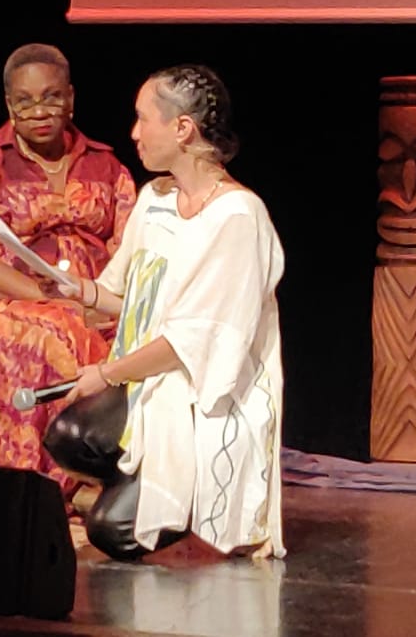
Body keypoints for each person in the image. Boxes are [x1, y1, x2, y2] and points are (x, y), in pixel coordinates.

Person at [41, 64, 285, 561]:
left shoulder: (237, 217)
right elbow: (126, 299)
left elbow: (193, 342)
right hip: (152, 382)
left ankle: (189, 500)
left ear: (182, 129)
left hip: (203, 398)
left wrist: (106, 373)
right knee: (68, 436)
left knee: (112, 533)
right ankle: (143, 482)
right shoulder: (156, 201)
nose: (133, 133)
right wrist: (77, 290)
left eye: (142, 119)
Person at [0, 44, 135, 491]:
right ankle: (47, 484)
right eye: (25, 101)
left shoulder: (107, 165)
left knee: (142, 334)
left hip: (93, 296)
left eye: (51, 97)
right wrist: (50, 299)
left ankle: (117, 480)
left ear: (71, 98)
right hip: (2, 303)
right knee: (56, 332)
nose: (39, 110)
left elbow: (129, 249)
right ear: (9, 105)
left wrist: (105, 303)